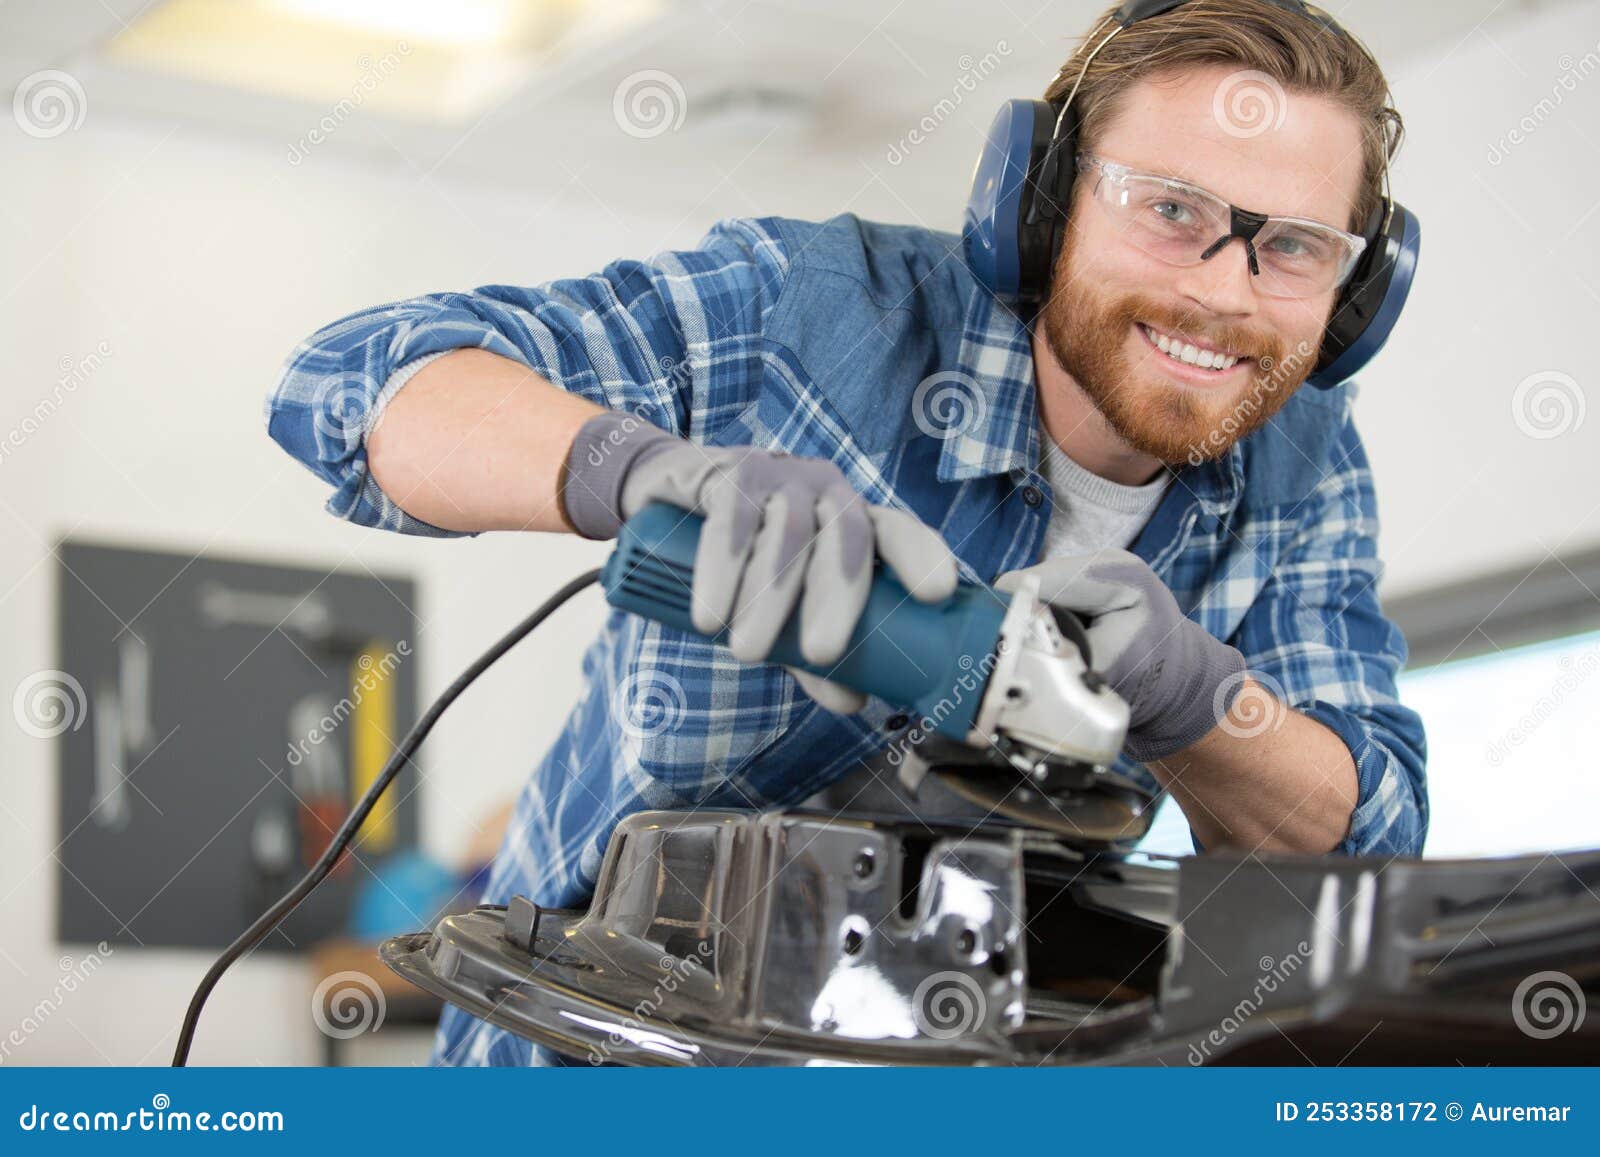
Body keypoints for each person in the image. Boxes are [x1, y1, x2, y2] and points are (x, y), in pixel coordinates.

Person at [265, 0, 1427, 1066]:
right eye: (1172, 211)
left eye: (1293, 247)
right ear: (1043, 200)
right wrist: (652, 473)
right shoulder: (810, 311)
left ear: (1355, 295)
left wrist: (1191, 699)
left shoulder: (1305, 465)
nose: (1225, 293)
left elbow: (1359, 838)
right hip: (590, 1066)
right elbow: (353, 381)